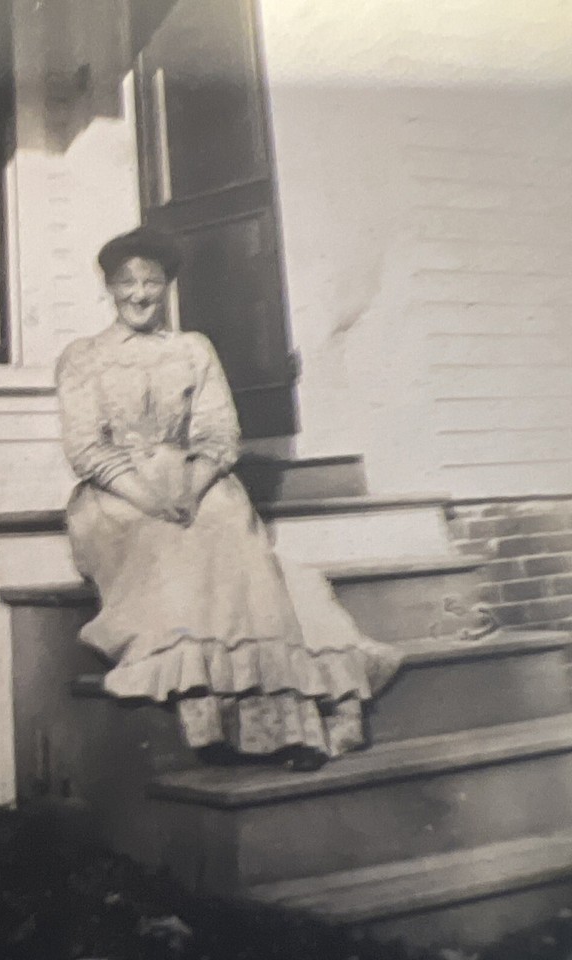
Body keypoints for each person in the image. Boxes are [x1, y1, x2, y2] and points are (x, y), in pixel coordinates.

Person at [55, 227, 401, 771]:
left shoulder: (192, 349)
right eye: (127, 283)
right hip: (117, 494)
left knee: (232, 539)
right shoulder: (83, 357)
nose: (140, 294)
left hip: (193, 480)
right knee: (173, 547)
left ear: (167, 286)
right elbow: (84, 446)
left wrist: (191, 486)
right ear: (109, 288)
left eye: (152, 281)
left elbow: (220, 431)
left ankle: (289, 727)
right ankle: (208, 719)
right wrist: (148, 496)